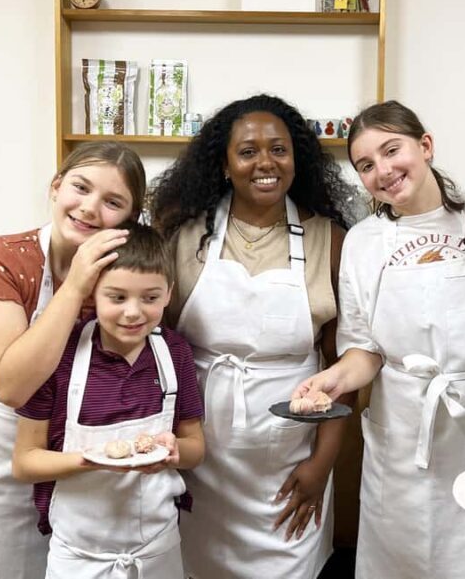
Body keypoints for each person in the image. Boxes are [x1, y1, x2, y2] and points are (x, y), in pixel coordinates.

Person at [292, 100, 465, 578]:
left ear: (426, 145)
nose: (383, 171)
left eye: (392, 150)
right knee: (401, 559)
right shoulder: (362, 242)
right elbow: (364, 350)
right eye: (366, 166)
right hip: (401, 428)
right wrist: (331, 379)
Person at [149, 93, 355, 579]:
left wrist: (322, 465)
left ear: (296, 159)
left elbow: (342, 372)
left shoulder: (330, 239)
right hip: (198, 456)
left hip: (288, 465)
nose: (265, 162)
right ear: (224, 164)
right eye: (248, 151)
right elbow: (156, 348)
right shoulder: (184, 235)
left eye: (278, 149)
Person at [0, 141, 144, 579]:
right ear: (55, 187)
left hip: (73, 465)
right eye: (80, 187)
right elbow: (14, 386)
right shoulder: (3, 257)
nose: (90, 208)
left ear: (130, 220)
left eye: (112, 202)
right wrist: (76, 286)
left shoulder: (123, 279)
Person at [12, 221, 205, 578]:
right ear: (92, 293)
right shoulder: (61, 357)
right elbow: (25, 463)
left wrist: (174, 452)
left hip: (157, 550)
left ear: (169, 294)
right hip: (78, 556)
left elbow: (195, 447)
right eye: (117, 297)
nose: (133, 312)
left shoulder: (174, 353)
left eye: (150, 297)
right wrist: (89, 460)